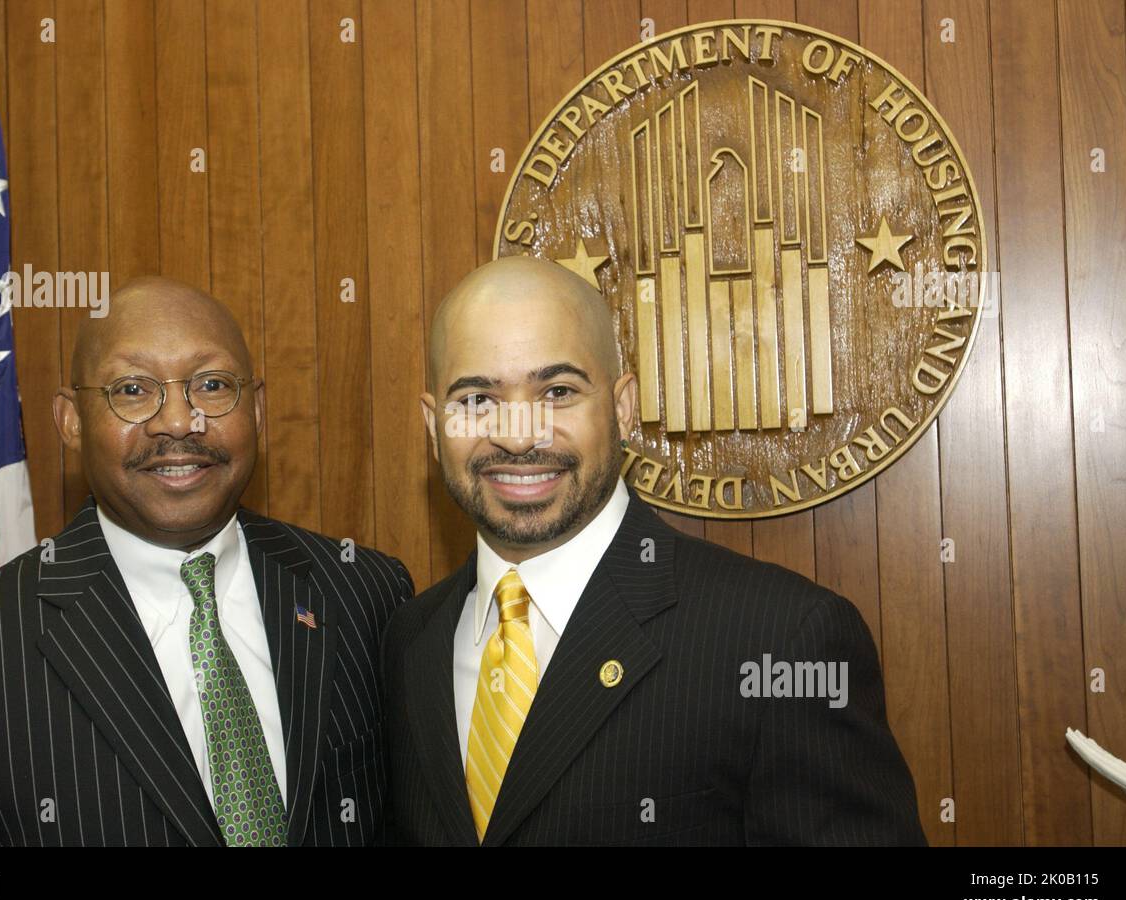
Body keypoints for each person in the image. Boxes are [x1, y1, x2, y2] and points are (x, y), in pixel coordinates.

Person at [382, 255, 925, 845]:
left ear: (620, 406)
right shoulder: (408, 644)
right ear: (434, 427)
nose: (517, 434)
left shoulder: (783, 638)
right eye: (478, 400)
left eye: (558, 391)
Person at [0, 276, 412, 846]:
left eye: (213, 385)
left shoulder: (364, 594)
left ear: (259, 409)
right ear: (71, 419)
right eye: (132, 390)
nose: (179, 422)